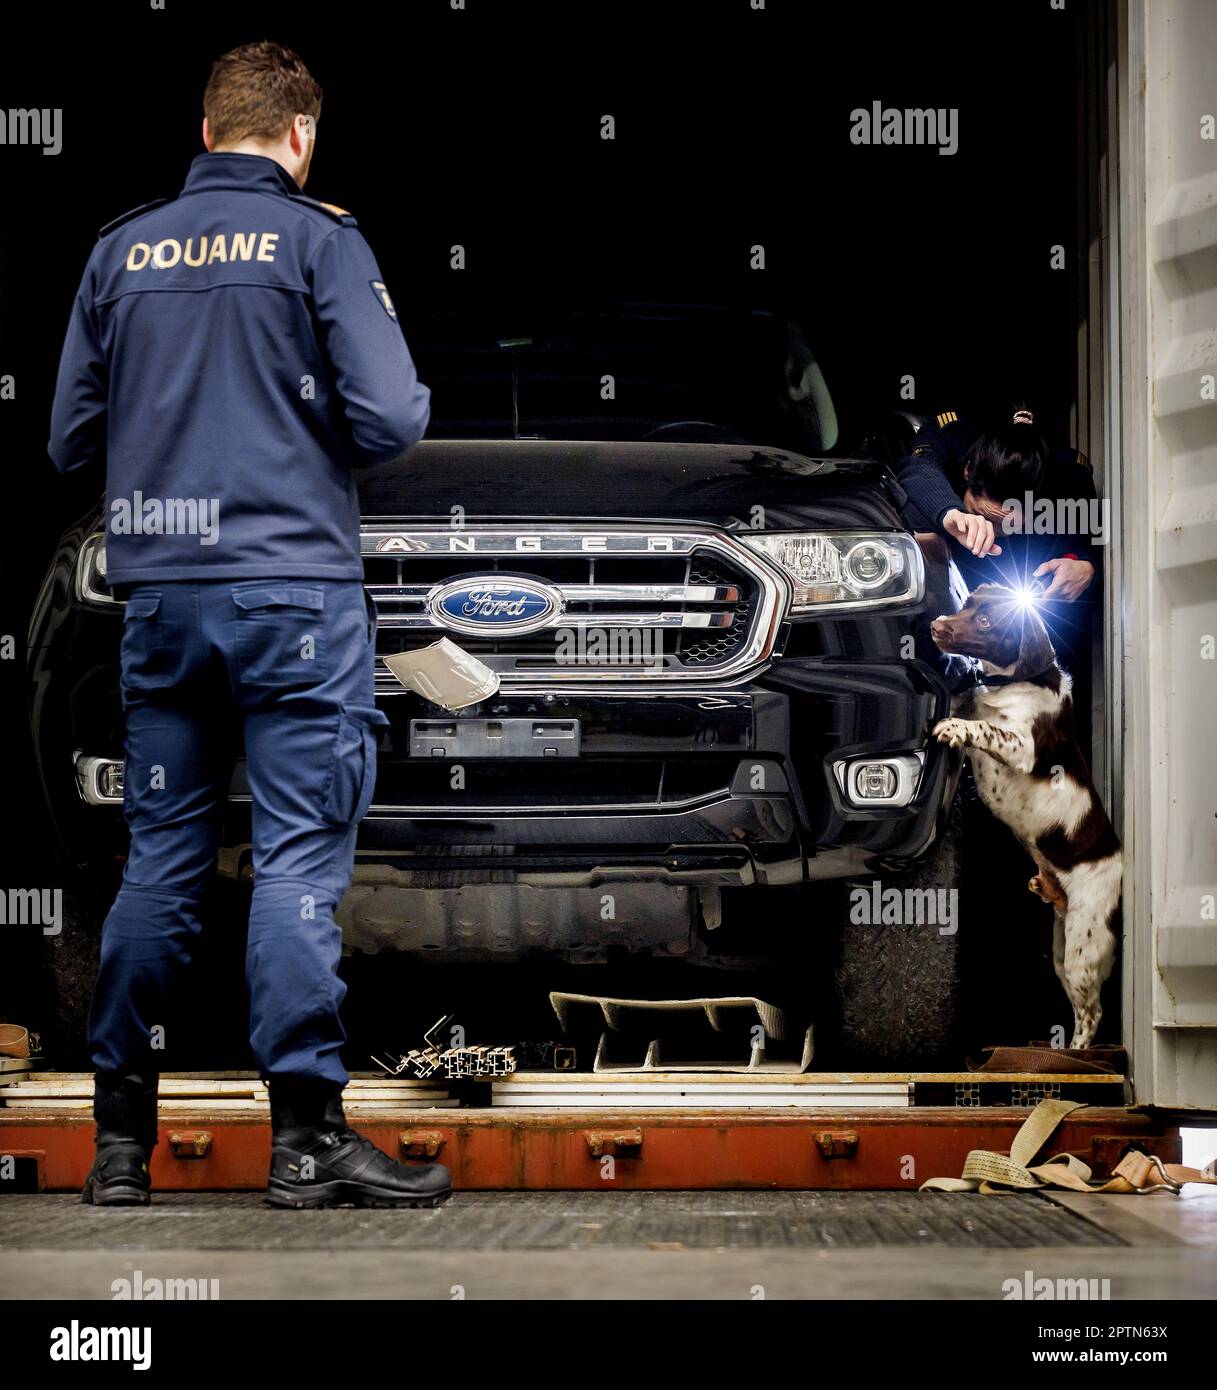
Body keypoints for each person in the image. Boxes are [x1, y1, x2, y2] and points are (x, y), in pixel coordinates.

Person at [48, 42, 446, 1208]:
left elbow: (67, 442)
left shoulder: (121, 249)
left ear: (206, 125)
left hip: (162, 605)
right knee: (295, 864)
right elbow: (391, 415)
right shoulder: (322, 240)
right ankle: (308, 1139)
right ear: (301, 135)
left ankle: (119, 1145)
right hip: (292, 607)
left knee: (159, 864)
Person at [897, 405, 1101, 739]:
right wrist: (950, 514)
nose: (998, 536)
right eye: (990, 520)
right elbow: (916, 472)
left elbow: (1097, 550)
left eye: (1012, 526)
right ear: (966, 473)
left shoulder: (1069, 477)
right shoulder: (952, 439)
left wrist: (1087, 569)